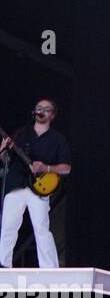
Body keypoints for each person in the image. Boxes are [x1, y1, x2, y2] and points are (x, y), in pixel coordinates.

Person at [0, 99, 72, 269]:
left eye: (45, 109)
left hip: (39, 189)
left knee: (41, 228)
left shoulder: (58, 140)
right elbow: (6, 160)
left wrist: (46, 167)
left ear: (52, 115)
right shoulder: (21, 134)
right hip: (16, 185)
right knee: (8, 227)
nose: (41, 111)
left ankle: (50, 270)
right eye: (38, 108)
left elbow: (66, 168)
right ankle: (3, 265)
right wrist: (2, 150)